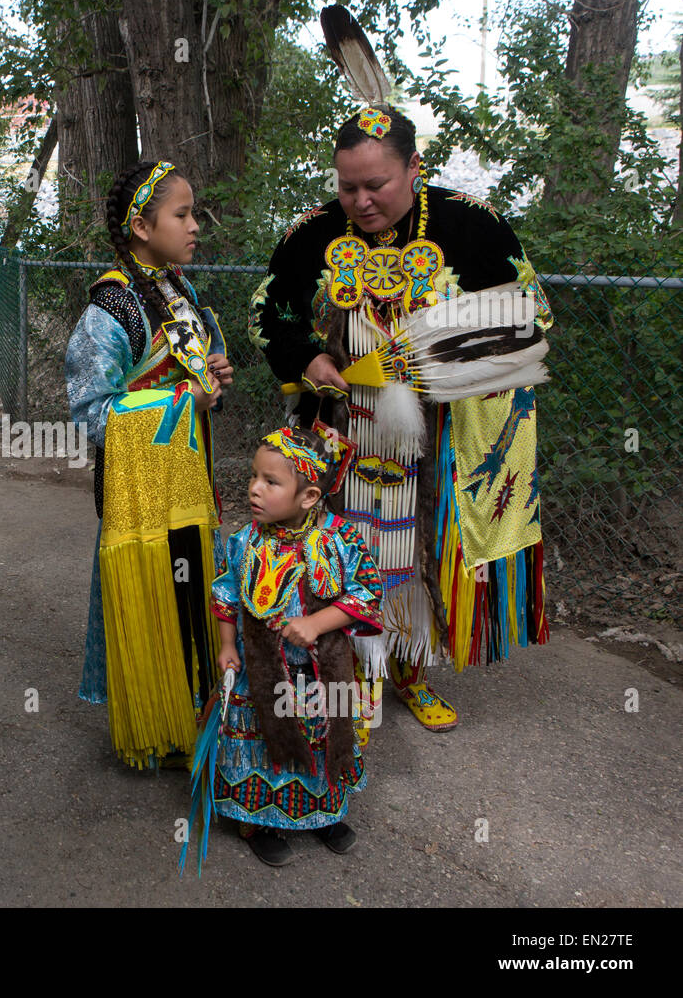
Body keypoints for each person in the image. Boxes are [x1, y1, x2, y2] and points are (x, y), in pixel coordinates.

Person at [250, 102, 553, 731]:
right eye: (347, 186)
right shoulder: (313, 235)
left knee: (414, 553)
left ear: (414, 167)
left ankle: (410, 671)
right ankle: (347, 676)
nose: (359, 201)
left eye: (376, 184)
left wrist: (451, 371)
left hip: (435, 439)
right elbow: (270, 309)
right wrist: (307, 357)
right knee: (343, 555)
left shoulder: (470, 228)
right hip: (337, 434)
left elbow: (529, 319)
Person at [64, 160, 234, 770]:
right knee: (154, 595)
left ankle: (191, 710)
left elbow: (197, 366)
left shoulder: (177, 291)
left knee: (191, 591)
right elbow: (92, 411)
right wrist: (185, 400)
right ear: (142, 224)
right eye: (182, 215)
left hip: (187, 482)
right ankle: (156, 724)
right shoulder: (113, 308)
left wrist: (212, 379)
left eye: (194, 214)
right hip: (140, 495)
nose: (195, 227)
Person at [193, 426, 383, 868]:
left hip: (320, 675)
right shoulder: (244, 542)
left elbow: (368, 593)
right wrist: (226, 645)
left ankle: (323, 814)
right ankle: (260, 821)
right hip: (260, 676)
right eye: (254, 477)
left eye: (271, 482)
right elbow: (225, 594)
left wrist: (318, 622)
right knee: (262, 740)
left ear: (309, 496)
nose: (255, 489)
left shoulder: (341, 541)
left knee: (322, 739)